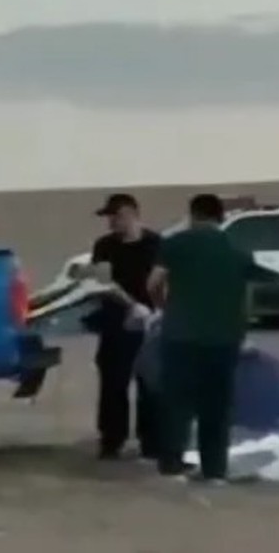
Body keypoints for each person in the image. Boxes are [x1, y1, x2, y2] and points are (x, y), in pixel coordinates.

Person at [146, 193, 254, 484]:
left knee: (177, 402)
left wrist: (164, 307)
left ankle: (171, 463)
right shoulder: (238, 247)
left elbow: (153, 283)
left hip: (180, 336)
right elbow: (247, 297)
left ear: (193, 215)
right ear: (220, 217)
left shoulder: (175, 243)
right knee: (217, 406)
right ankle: (214, 469)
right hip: (223, 338)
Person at [87, 193, 162, 460]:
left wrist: (157, 311)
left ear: (130, 214)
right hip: (116, 324)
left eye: (114, 217)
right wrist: (132, 305)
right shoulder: (105, 246)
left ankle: (151, 441)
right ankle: (112, 439)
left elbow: (164, 279)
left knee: (150, 384)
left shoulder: (155, 244)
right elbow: (104, 282)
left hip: (149, 325)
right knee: (113, 383)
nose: (110, 223)